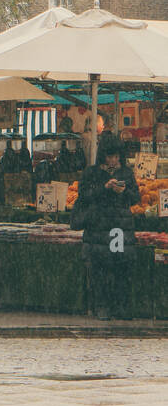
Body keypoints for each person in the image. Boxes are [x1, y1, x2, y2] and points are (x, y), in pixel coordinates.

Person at [77, 134, 140, 320]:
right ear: (103, 156)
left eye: (116, 157)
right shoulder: (92, 173)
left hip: (119, 228)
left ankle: (120, 306)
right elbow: (84, 196)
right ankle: (101, 306)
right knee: (100, 268)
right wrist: (104, 188)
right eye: (109, 156)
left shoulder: (126, 174)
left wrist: (124, 191)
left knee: (121, 267)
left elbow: (136, 198)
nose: (113, 161)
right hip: (99, 227)